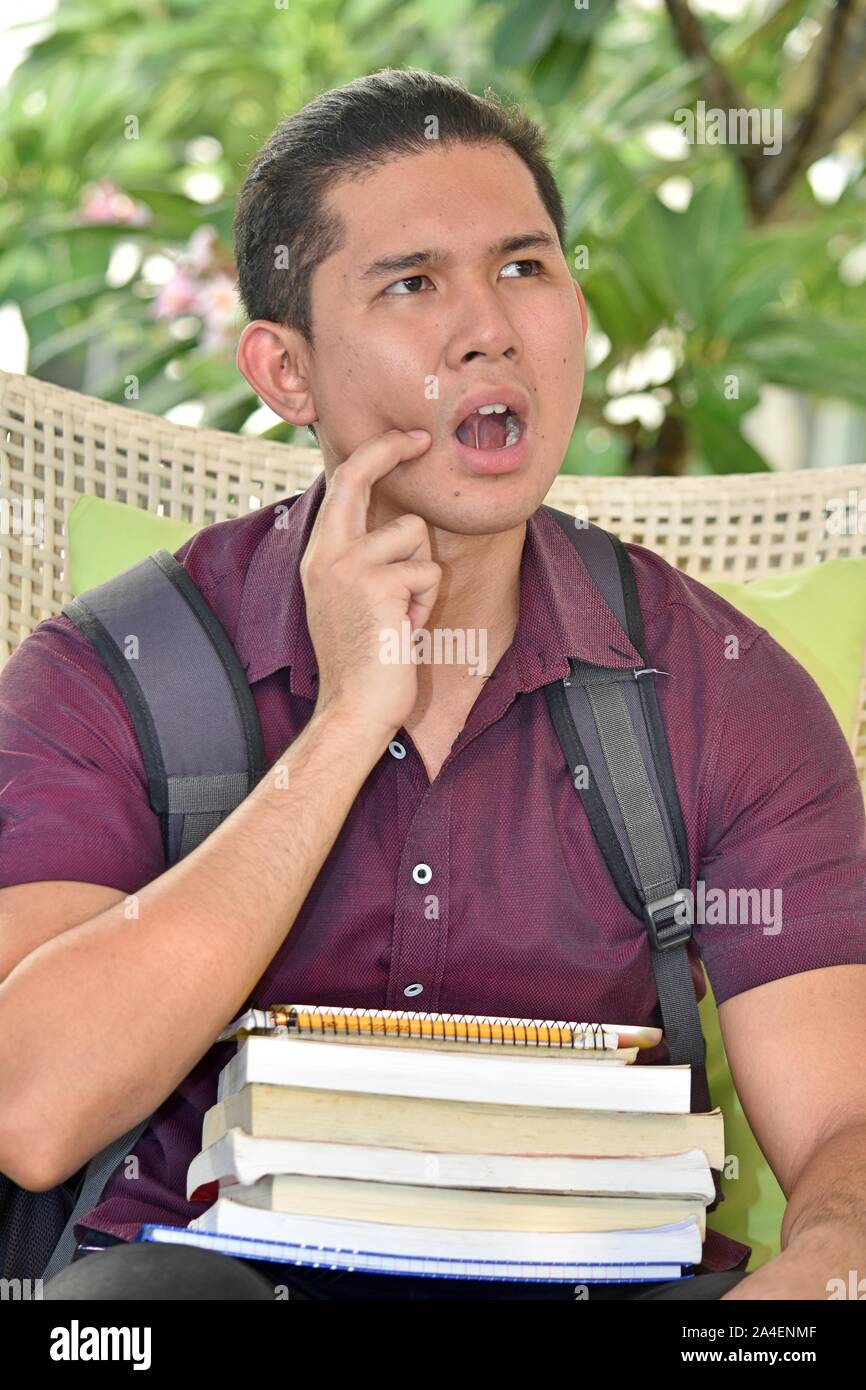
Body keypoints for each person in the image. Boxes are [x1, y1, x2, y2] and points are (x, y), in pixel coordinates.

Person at [1, 70, 865, 1303]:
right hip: (205, 1290)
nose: (488, 328)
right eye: (411, 284)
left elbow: (843, 1120)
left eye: (523, 268)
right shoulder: (110, 674)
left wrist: (829, 1262)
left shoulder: (720, 689)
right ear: (283, 371)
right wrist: (347, 719)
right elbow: (30, 1111)